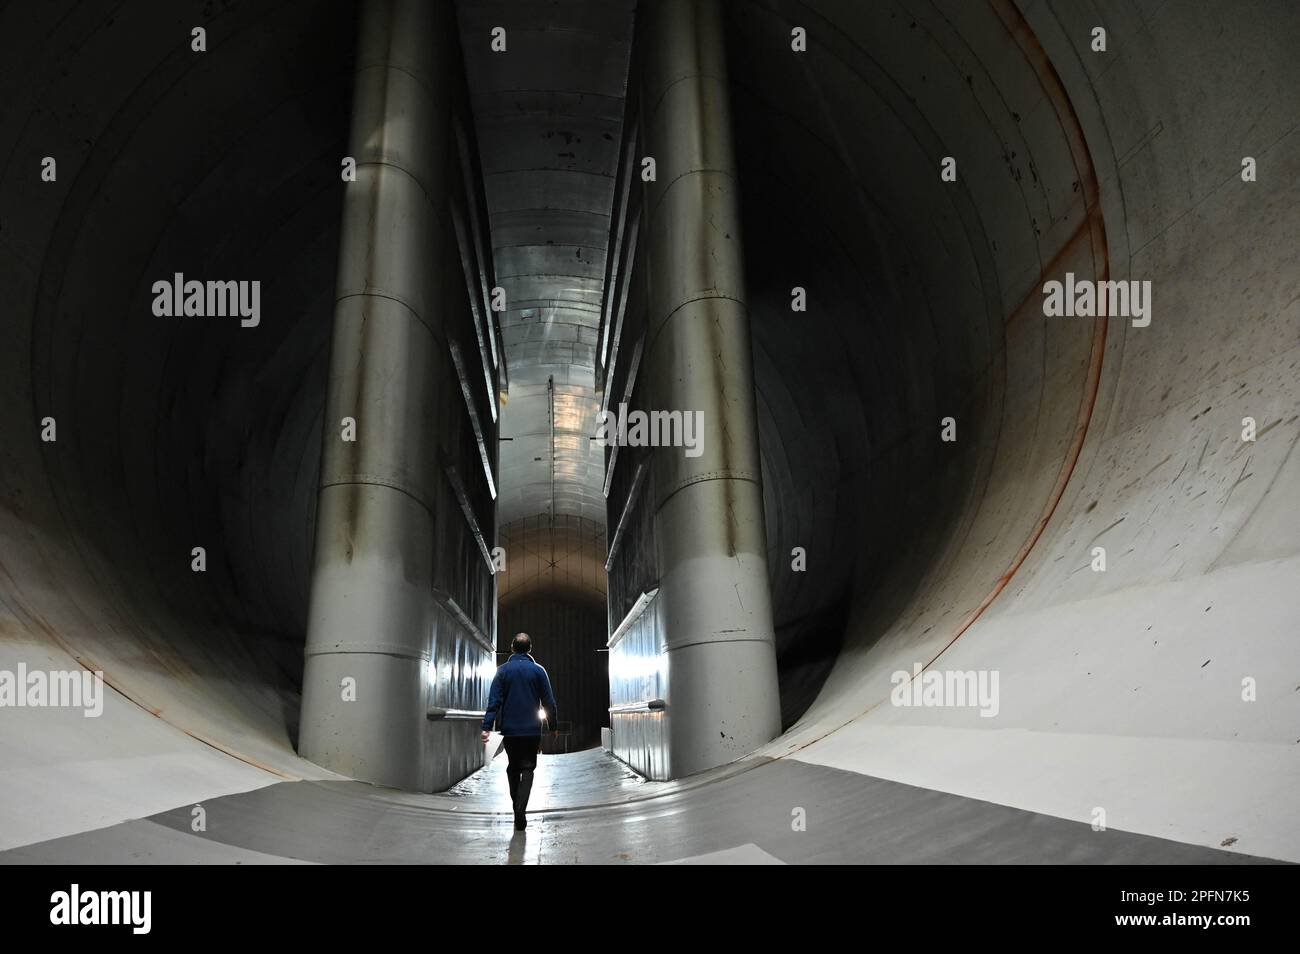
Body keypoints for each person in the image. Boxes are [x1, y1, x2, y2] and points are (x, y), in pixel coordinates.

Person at [481, 633, 558, 830]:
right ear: (530, 648)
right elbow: (549, 702)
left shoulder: (503, 671)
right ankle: (520, 809)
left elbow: (494, 701)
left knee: (513, 768)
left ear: (512, 648)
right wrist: (553, 726)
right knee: (528, 768)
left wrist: (486, 727)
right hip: (532, 730)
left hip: (511, 731)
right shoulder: (539, 671)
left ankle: (517, 807)